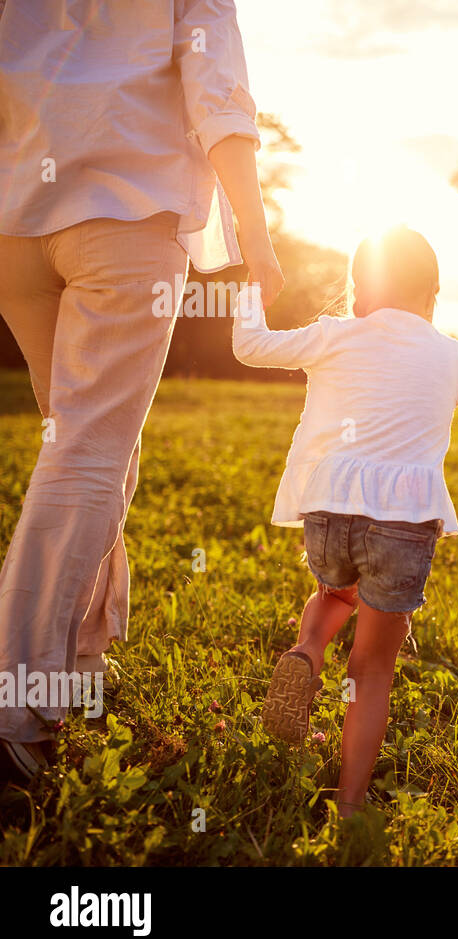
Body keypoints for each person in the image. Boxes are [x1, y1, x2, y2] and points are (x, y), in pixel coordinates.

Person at [0, 0, 283, 782]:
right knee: (89, 452)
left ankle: (85, 654)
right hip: (126, 216)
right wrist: (255, 236)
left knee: (85, 443)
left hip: (16, 225)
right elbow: (218, 93)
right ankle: (17, 703)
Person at [232, 226, 458, 817]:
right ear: (432, 293)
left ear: (359, 289)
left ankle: (308, 654)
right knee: (372, 671)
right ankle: (350, 803)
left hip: (329, 510)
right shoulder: (451, 353)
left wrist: (250, 288)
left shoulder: (335, 335)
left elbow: (251, 346)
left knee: (335, 593)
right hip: (404, 521)